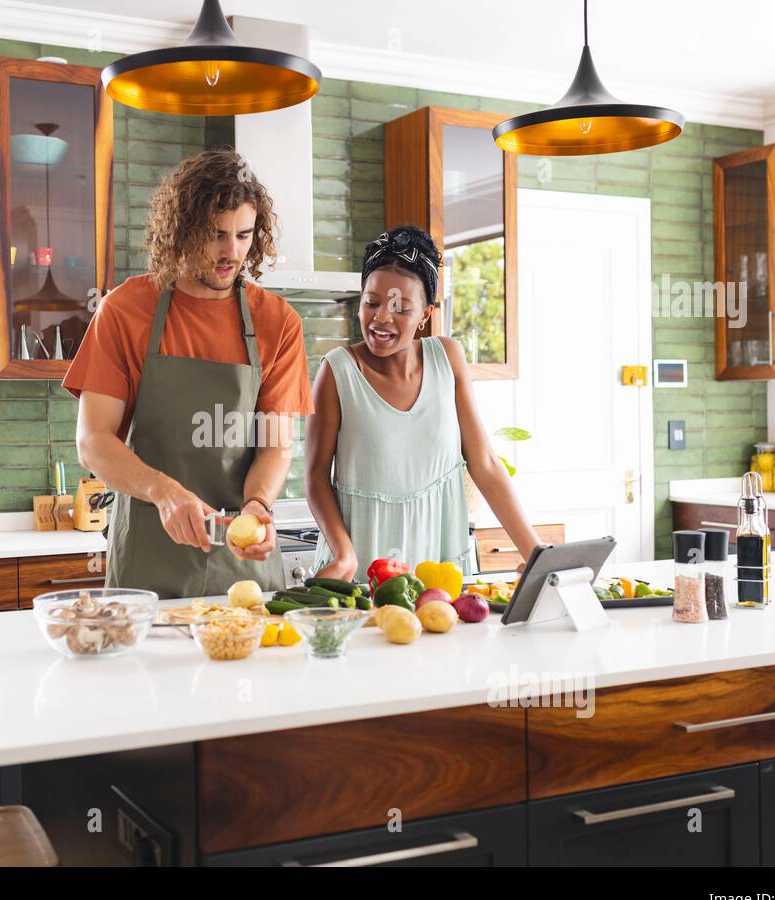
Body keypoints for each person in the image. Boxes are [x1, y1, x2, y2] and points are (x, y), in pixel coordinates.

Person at [65, 148, 313, 598]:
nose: (231, 252)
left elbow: (275, 444)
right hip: (147, 564)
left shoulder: (278, 322)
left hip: (242, 569)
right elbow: (93, 442)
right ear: (181, 232)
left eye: (243, 235)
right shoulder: (125, 310)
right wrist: (164, 493)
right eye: (216, 235)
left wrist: (258, 506)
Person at [306, 224, 543, 580]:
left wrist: (536, 553)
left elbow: (485, 464)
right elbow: (315, 476)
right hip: (360, 565)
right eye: (371, 303)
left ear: (425, 315)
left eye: (401, 308)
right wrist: (343, 555)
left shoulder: (447, 358)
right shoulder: (338, 371)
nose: (381, 318)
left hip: (440, 564)